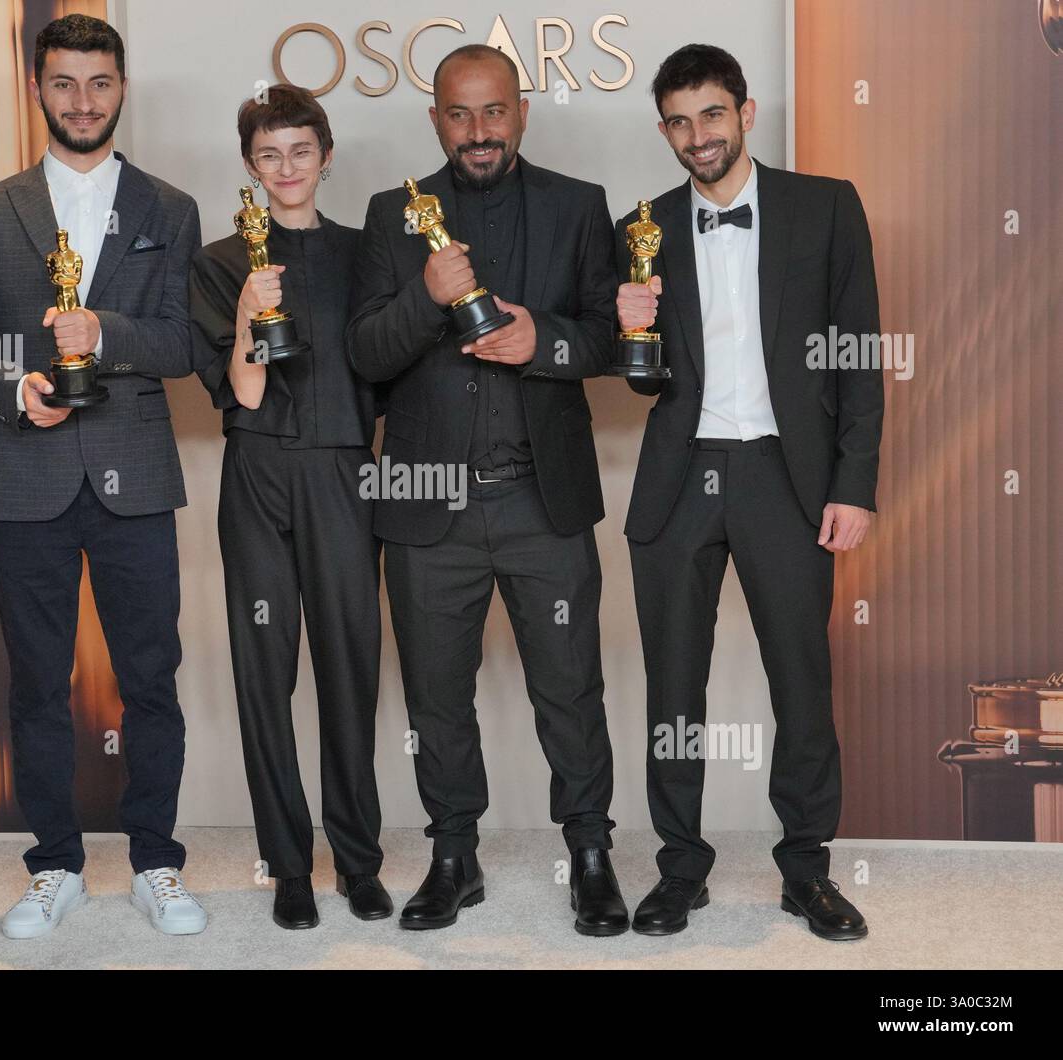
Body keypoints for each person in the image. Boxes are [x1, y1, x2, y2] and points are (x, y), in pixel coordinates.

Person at [347, 44, 627, 936]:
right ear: (436, 119)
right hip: (429, 506)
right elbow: (364, 357)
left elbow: (611, 342)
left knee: (571, 689)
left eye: (494, 111)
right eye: (460, 114)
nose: (479, 131)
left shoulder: (579, 207)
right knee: (436, 698)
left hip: (541, 502)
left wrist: (540, 338)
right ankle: (453, 856)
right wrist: (428, 297)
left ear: (521, 113)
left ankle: (589, 854)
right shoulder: (394, 214)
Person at [0, 14, 206, 938]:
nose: (82, 101)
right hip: (24, 477)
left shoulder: (169, 208)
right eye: (64, 84)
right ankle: (52, 864)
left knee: (152, 680)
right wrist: (16, 390)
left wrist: (106, 334)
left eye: (99, 83)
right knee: (36, 683)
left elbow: (182, 345)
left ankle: (157, 864)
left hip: (136, 475)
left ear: (121, 88)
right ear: (38, 90)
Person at [615, 43, 883, 940]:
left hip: (786, 474)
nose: (699, 137)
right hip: (680, 478)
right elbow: (642, 384)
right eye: (681, 122)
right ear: (664, 130)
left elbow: (859, 358)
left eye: (713, 116)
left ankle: (806, 871)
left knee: (801, 684)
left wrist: (855, 485)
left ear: (746, 113)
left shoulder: (826, 206)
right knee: (673, 691)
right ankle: (679, 868)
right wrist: (630, 338)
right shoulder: (641, 225)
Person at [188, 84, 391, 930]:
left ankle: (357, 858)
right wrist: (247, 312)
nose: (286, 168)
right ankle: (288, 865)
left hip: (346, 471)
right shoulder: (219, 259)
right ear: (249, 166)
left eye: (300, 151)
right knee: (263, 672)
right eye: (268, 155)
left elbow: (391, 369)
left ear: (326, 155)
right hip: (260, 472)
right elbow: (239, 388)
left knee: (351, 665)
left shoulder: (366, 252)